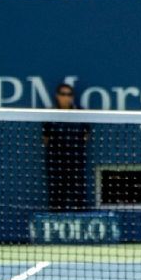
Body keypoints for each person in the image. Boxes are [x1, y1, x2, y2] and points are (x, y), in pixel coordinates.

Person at [42, 83, 91, 212]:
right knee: (57, 195)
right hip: (56, 162)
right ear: (57, 96)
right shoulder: (50, 114)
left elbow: (86, 135)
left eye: (69, 94)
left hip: (76, 161)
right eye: (63, 94)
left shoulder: (80, 112)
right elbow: (46, 138)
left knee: (79, 194)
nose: (66, 97)